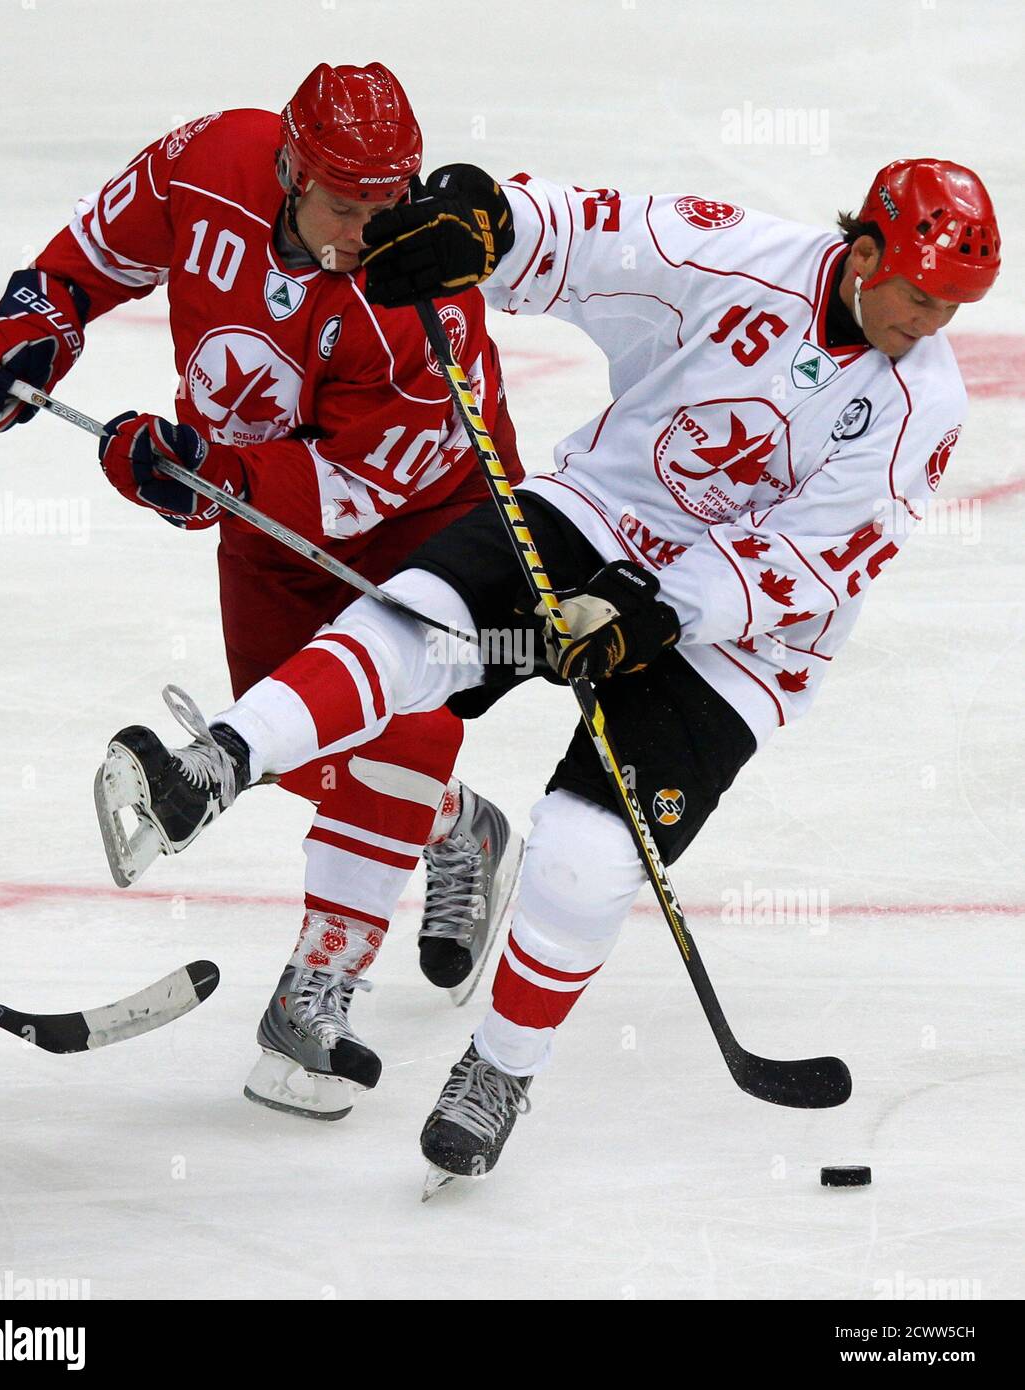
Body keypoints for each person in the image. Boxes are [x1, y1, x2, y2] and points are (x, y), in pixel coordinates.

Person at [91, 154, 999, 1187]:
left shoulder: (920, 407)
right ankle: (214, 763)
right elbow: (598, 232)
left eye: (952, 307)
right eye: (919, 295)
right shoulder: (741, 258)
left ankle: (501, 1067)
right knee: (415, 624)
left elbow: (809, 561)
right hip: (604, 513)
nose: (928, 322)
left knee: (580, 853)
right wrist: (489, 224)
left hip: (743, 638)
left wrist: (652, 614)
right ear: (865, 252)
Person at [0, 65, 527, 1124]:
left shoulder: (413, 295)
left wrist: (205, 472)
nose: (364, 230)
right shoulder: (212, 158)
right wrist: (38, 320)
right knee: (296, 749)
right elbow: (105, 244)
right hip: (265, 515)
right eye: (344, 207)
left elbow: (364, 482)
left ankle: (320, 989)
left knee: (394, 726)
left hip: (433, 522)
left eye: (382, 206)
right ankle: (460, 831)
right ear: (289, 167)